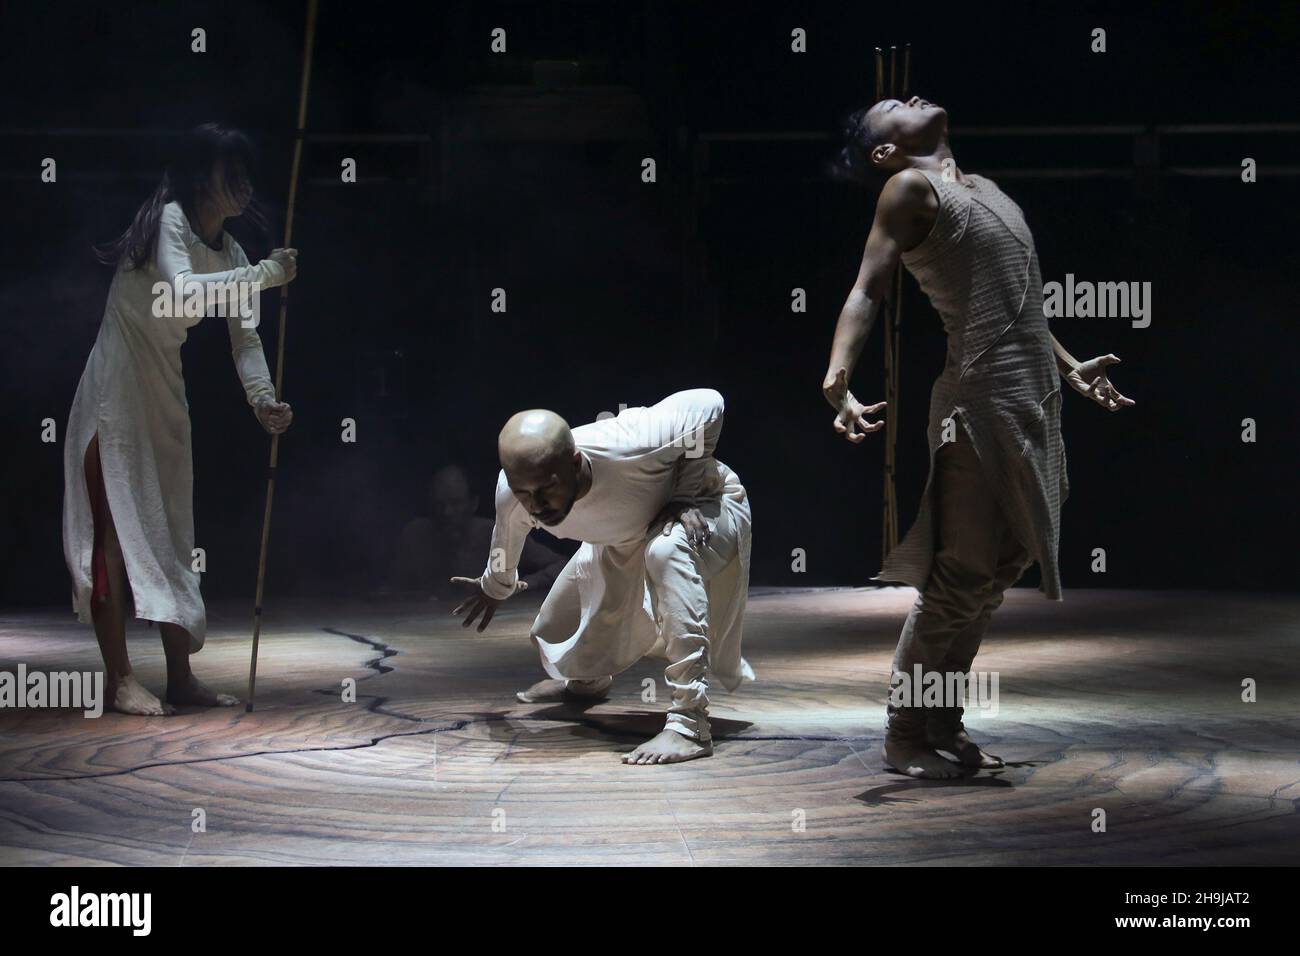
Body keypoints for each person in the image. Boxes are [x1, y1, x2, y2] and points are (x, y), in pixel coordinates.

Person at [823, 95, 1134, 778]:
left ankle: (943, 722)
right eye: (893, 106)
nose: (912, 98)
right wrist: (838, 376)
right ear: (884, 152)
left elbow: (1020, 304)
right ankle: (905, 735)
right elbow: (866, 289)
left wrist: (1071, 366)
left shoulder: (987, 191)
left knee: (995, 574)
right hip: (977, 401)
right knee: (959, 579)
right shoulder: (907, 188)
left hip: (1035, 398)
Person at [62, 123, 298, 715]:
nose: (243, 187)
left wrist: (262, 398)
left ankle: (179, 676)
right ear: (201, 177)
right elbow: (185, 294)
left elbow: (245, 340)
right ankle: (118, 679)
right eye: (230, 174)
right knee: (114, 537)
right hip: (115, 389)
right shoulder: (168, 220)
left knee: (171, 533)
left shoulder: (234, 254)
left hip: (164, 391)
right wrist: (267, 276)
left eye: (247, 175)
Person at [452, 389, 753, 765]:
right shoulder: (515, 492)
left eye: (546, 489)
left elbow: (710, 403)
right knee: (554, 628)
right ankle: (587, 681)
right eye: (524, 492)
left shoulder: (635, 443)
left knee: (665, 549)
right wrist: (494, 587)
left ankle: (690, 724)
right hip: (623, 536)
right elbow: (505, 544)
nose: (536, 505)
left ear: (575, 462)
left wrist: (684, 493)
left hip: (706, 508)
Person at [391, 463, 566, 598]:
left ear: (472, 503)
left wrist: (523, 584)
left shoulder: (493, 534)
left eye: (455, 503)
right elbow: (394, 587)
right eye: (439, 504)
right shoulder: (416, 536)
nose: (446, 512)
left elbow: (561, 564)